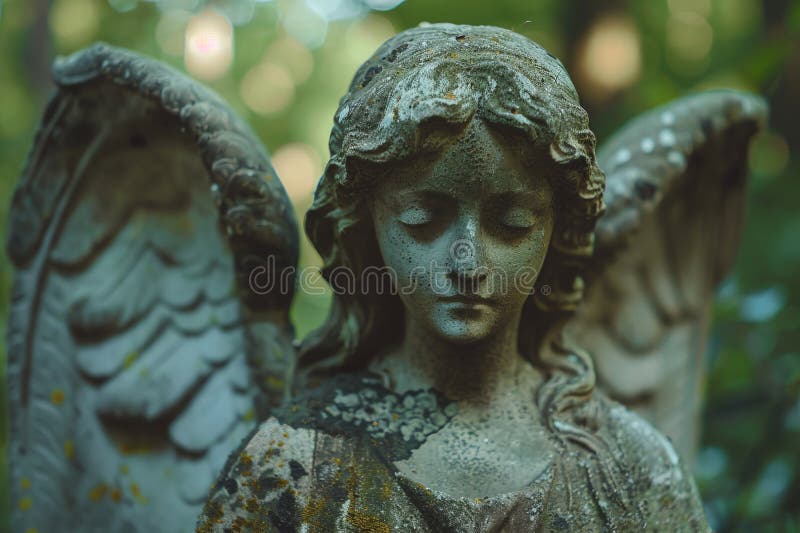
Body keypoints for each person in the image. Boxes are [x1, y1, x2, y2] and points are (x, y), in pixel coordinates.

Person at [199, 23, 707, 532]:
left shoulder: (631, 469)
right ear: (366, 226)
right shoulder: (291, 467)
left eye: (512, 225)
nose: (468, 265)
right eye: (423, 221)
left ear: (557, 231)